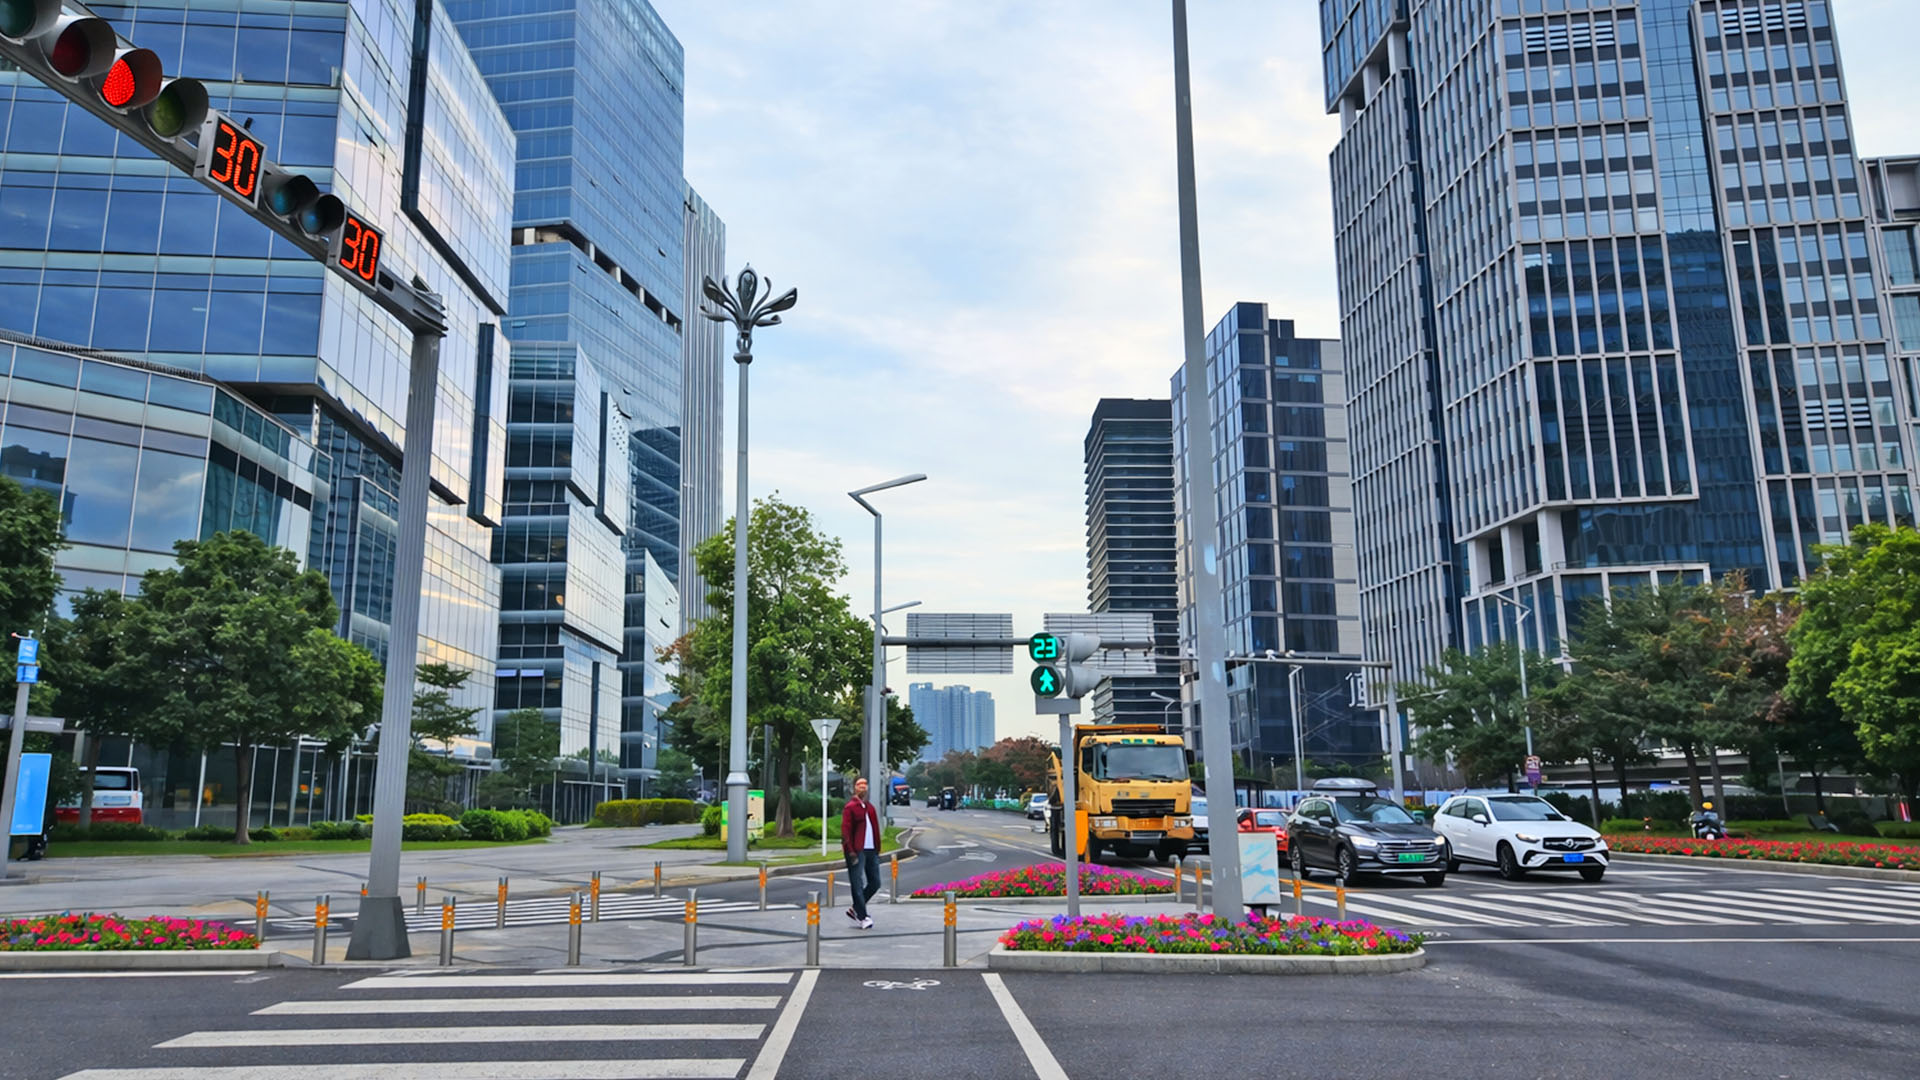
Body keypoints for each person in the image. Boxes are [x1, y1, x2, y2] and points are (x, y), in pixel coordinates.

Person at [841, 776, 883, 929]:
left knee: (875, 882)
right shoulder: (850, 807)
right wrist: (850, 851)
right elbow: (845, 831)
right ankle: (862, 916)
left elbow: (875, 829)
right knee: (857, 883)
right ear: (854, 788)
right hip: (856, 851)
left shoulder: (870, 808)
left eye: (865, 784)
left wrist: (878, 848)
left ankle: (855, 909)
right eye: (859, 785)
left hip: (871, 850)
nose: (863, 787)